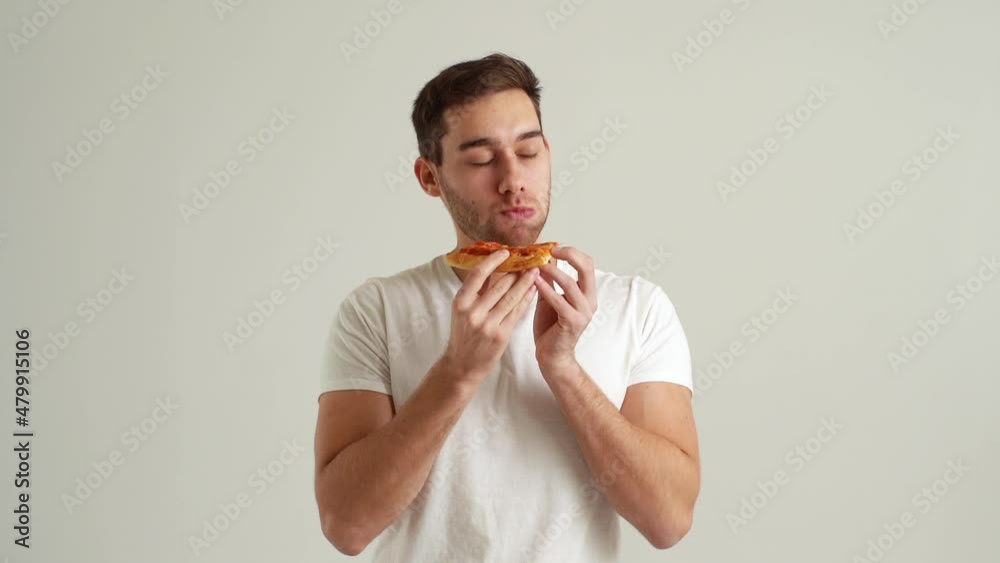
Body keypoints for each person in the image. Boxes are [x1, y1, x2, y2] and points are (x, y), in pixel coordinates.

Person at [313, 52, 700, 562]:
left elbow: (668, 520)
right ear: (430, 177)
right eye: (480, 159)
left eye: (529, 151)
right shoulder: (376, 309)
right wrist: (457, 372)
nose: (513, 179)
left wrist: (564, 369)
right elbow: (346, 525)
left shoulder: (637, 306)